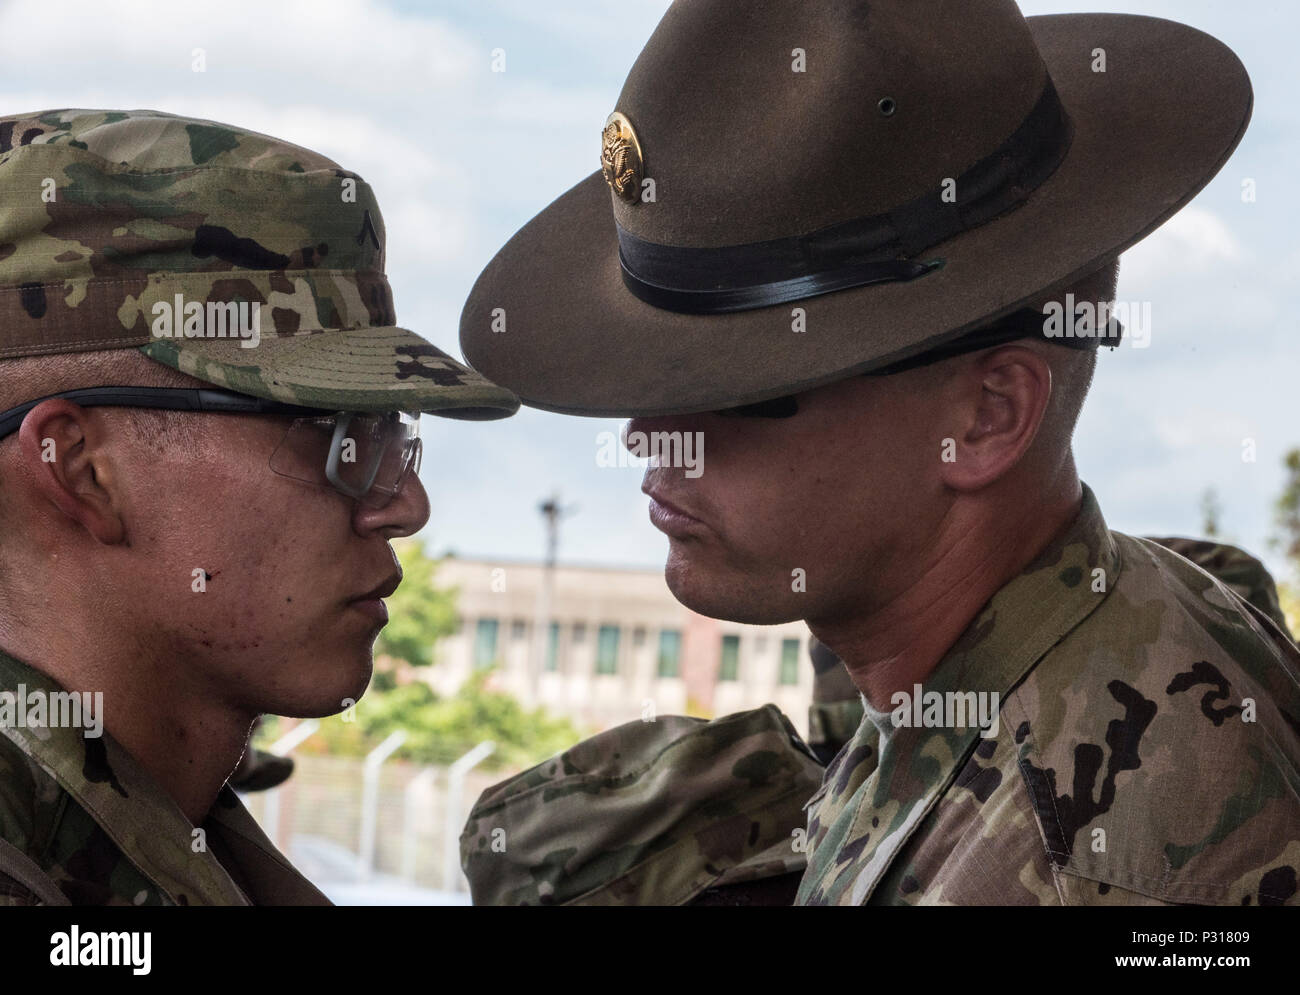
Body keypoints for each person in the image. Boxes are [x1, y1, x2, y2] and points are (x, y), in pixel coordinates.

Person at [457, 1, 1300, 905]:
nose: (648, 434)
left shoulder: (1100, 867)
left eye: (734, 385)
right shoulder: (980, 678)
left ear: (987, 416)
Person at [0, 108, 518, 905]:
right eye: (337, 434)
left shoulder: (164, 835)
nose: (404, 504)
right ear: (80, 470)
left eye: (391, 435)